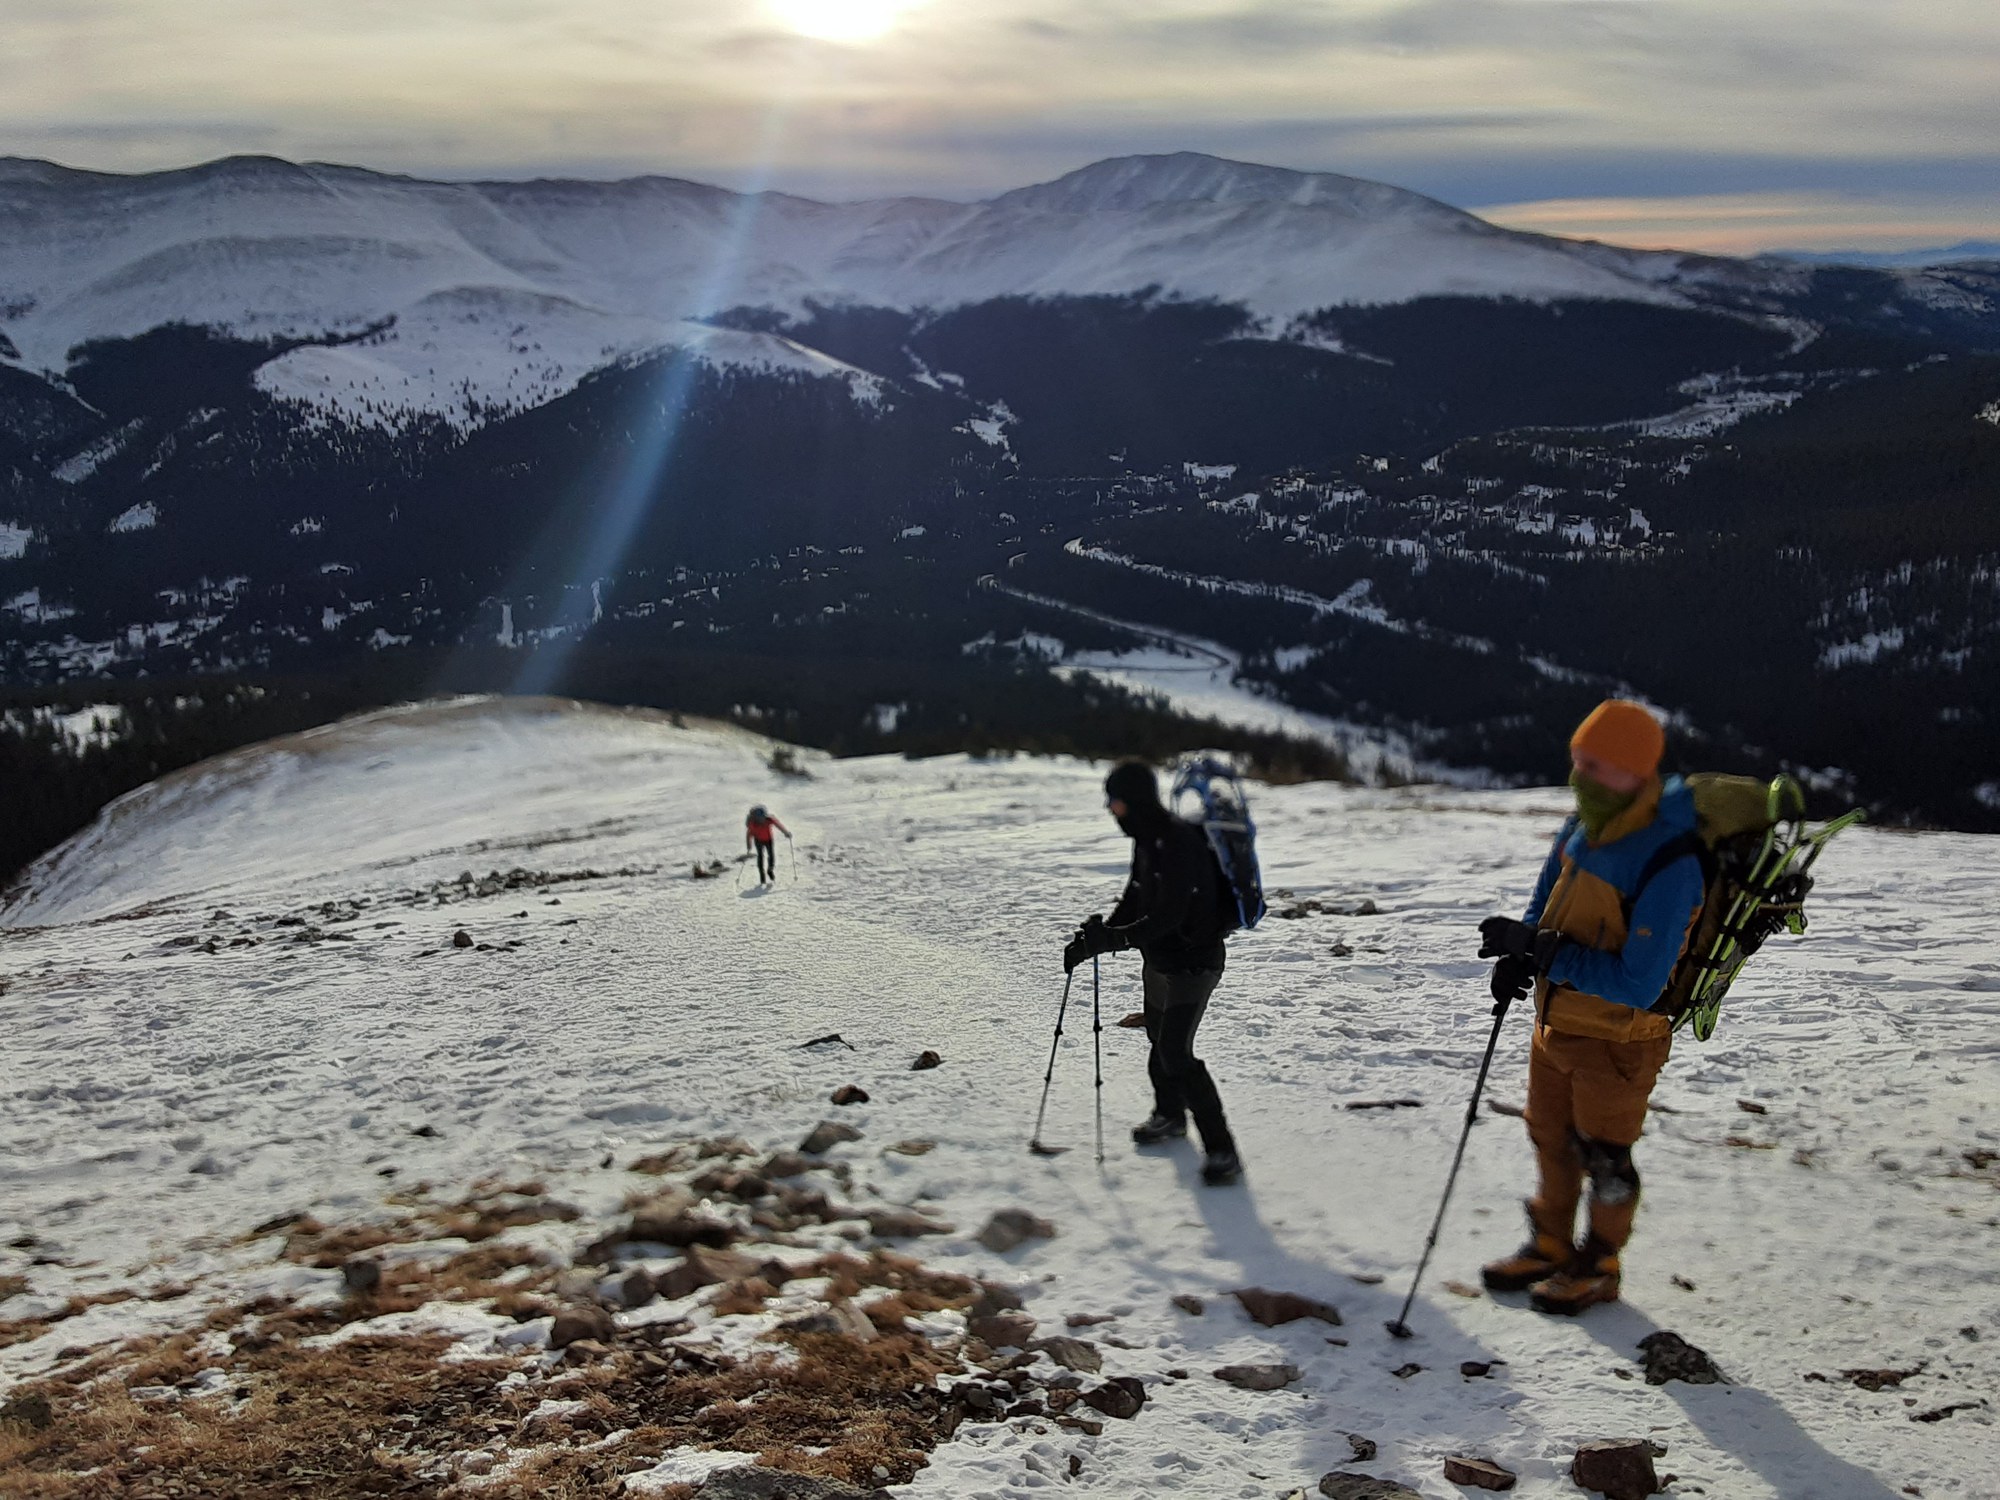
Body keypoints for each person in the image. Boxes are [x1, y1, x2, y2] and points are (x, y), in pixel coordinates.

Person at [1476, 699, 1705, 1315]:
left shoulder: (1670, 859)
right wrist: (1519, 953)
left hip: (1619, 1041)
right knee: (1549, 1137)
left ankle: (1599, 1263)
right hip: (1556, 1025)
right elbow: (1543, 905)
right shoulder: (1582, 825)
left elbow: (1641, 984)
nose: (1581, 776)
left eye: (1597, 766)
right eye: (1578, 761)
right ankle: (1549, 1244)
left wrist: (1550, 956)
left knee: (1605, 1157)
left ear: (1636, 772)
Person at [1066, 760, 1241, 1186]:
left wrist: (1112, 940)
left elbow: (1168, 916)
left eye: (1117, 802)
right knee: (1159, 1041)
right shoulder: (1148, 841)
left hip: (1194, 964)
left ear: (1136, 801)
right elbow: (1136, 897)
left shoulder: (1180, 843)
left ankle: (1222, 1151)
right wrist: (1098, 936)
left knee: (1177, 1053)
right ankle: (1169, 1115)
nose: (1112, 810)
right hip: (1160, 962)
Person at [745, 805, 790, 884]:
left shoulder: (768, 819)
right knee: (764, 856)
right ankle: (763, 874)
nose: (761, 820)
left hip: (767, 840)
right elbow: (749, 835)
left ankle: (769, 871)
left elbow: (778, 825)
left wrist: (786, 833)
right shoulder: (753, 824)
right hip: (760, 840)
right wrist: (749, 845)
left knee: (767, 856)